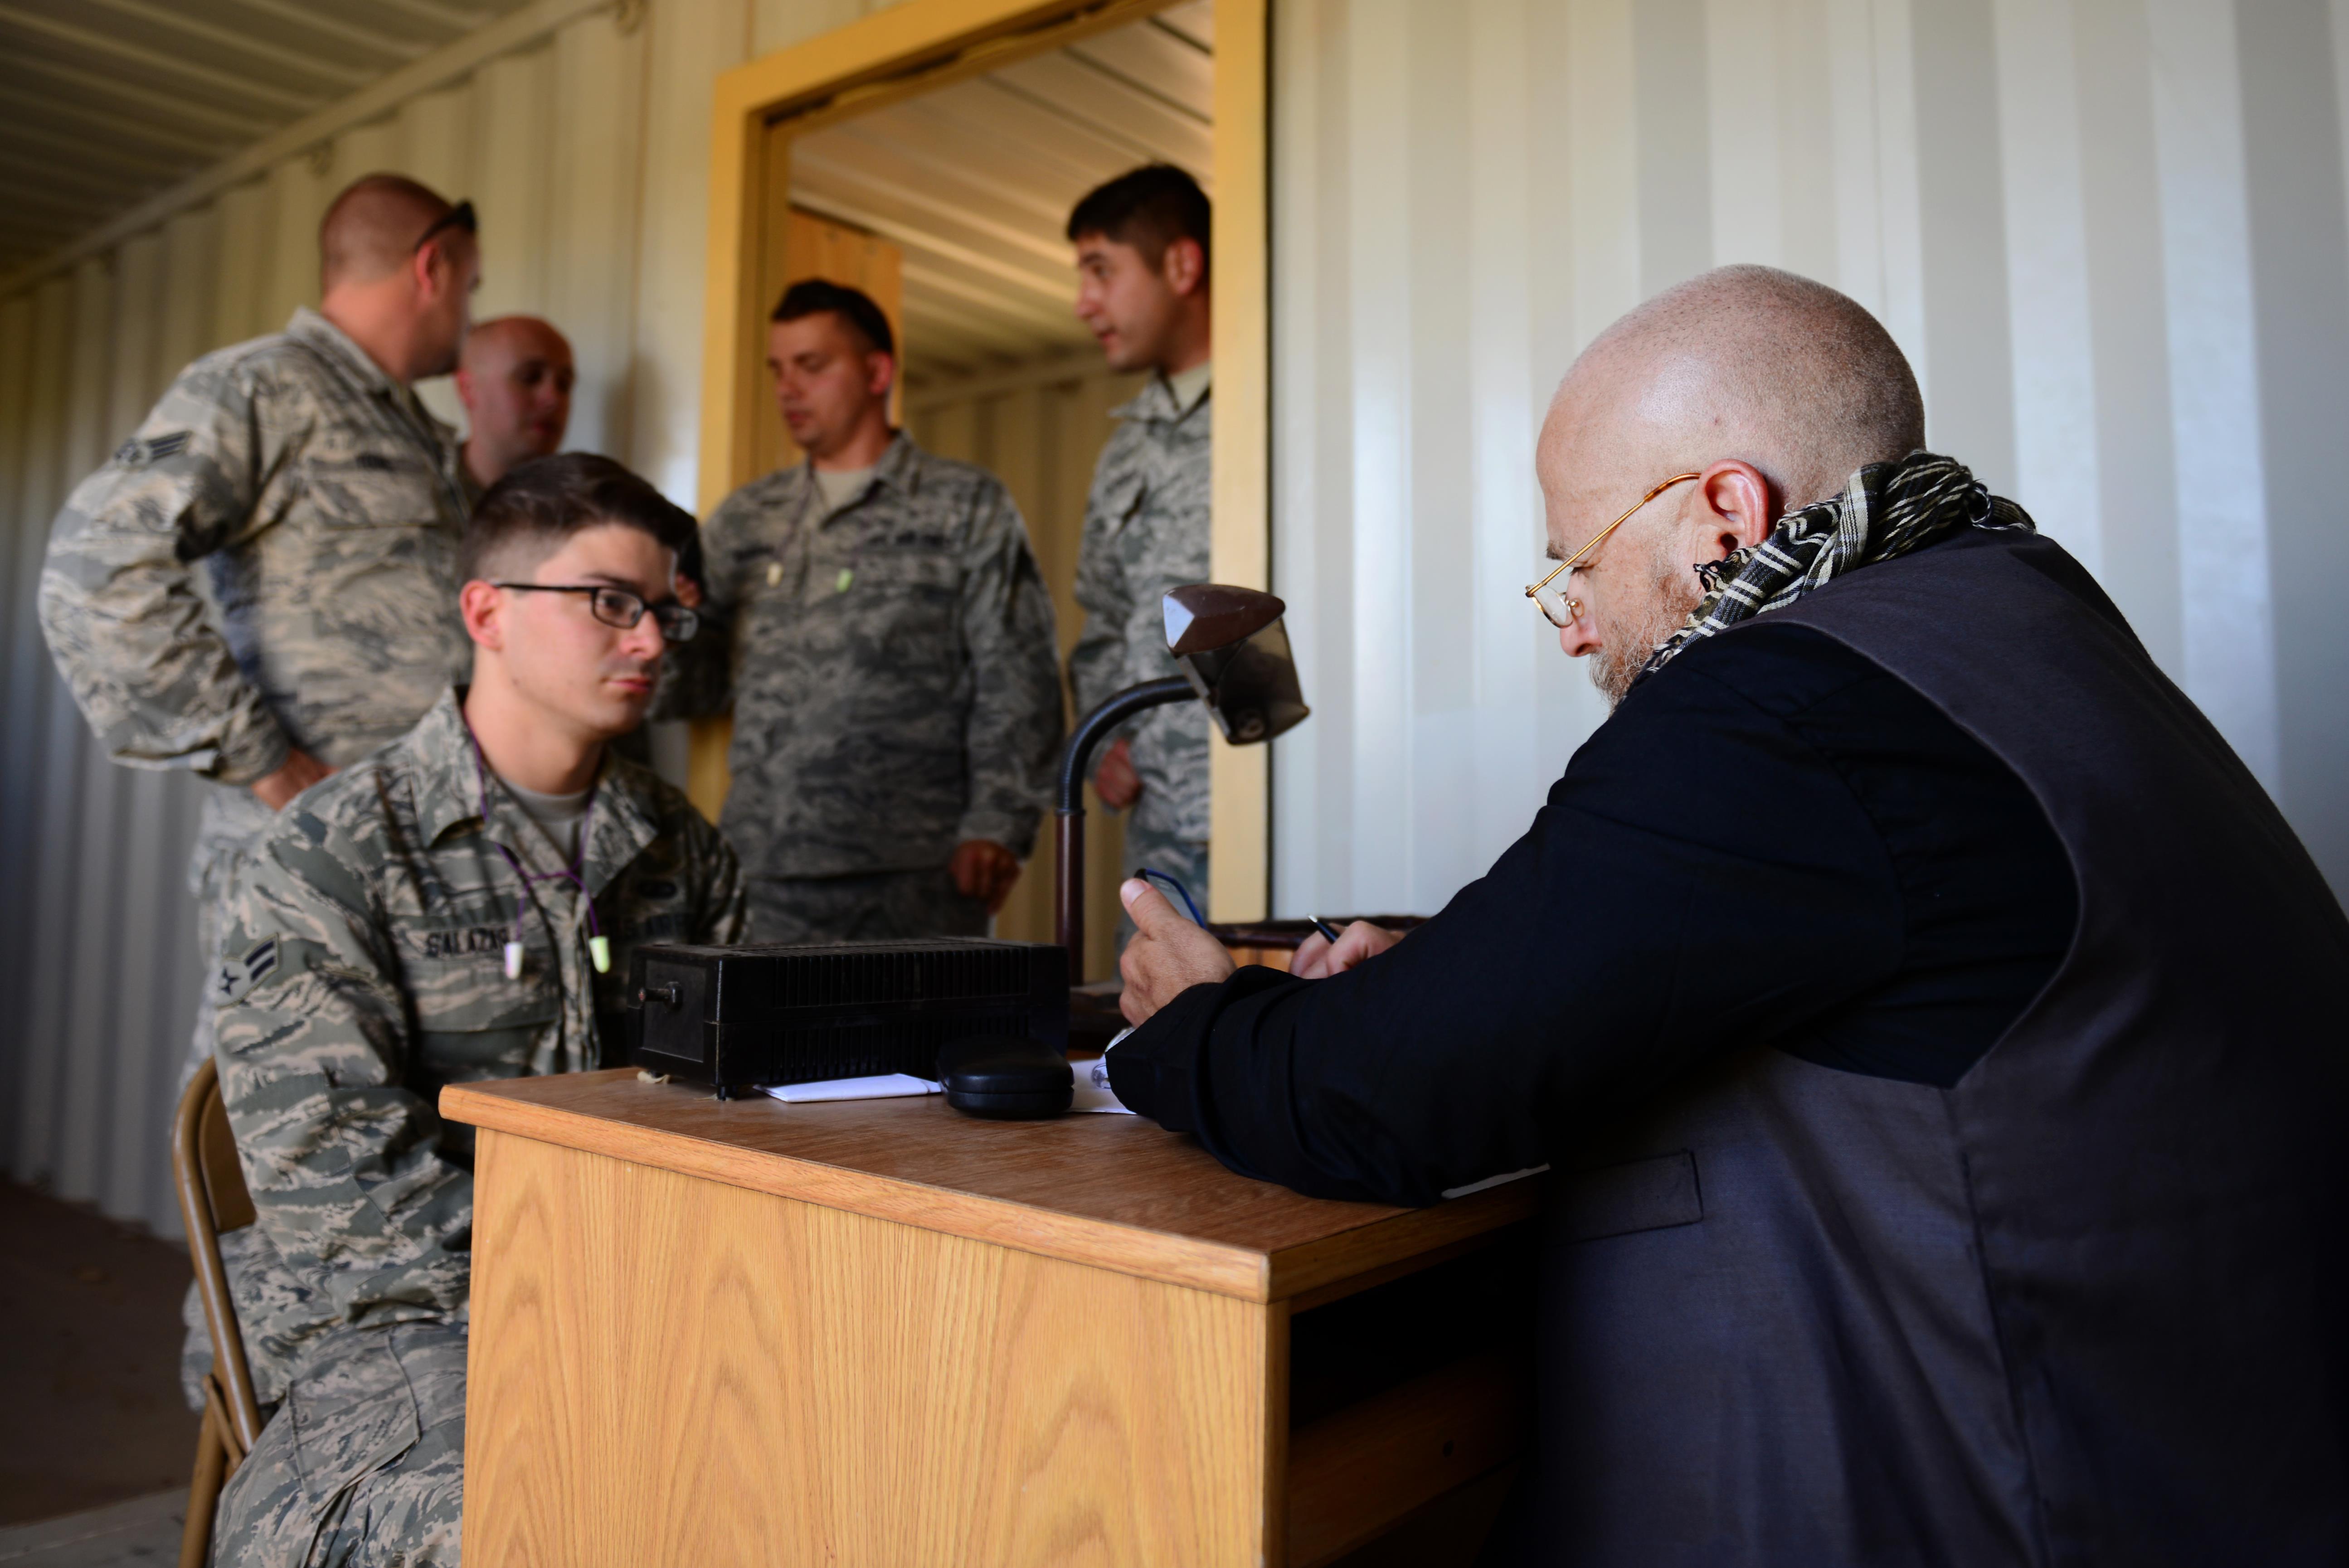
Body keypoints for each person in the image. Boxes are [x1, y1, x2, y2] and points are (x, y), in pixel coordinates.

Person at [1108, 266, 2349, 1563]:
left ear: (1724, 515)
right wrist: (1450, 971)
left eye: (1578, 564)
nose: (1573, 628)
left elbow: (1385, 1097)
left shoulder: (1785, 702)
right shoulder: (2017, 629)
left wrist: (1194, 1017)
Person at [207, 453, 746, 1566]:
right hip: (394, 1316)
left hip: (644, 1289)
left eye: (664, 611)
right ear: (487, 613)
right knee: (549, 1519)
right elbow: (341, 1191)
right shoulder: (333, 852)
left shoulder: (681, 850)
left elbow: (740, 1102)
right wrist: (579, 1289)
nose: (652, 640)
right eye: (611, 602)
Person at [39, 173, 481, 1082]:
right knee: (275, 1129)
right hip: (304, 864)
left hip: (424, 863)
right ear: (431, 265)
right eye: (470, 287)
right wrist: (263, 760)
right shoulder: (265, 386)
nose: (470, 314)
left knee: (393, 1135)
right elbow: (97, 568)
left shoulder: (417, 433)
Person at [670, 280, 1061, 943]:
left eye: (812, 365)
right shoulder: (746, 518)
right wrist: (671, 623)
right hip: (767, 867)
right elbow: (692, 691)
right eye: (778, 369)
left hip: (919, 870)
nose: (788, 388)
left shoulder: (964, 504)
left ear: (878, 372)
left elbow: (1018, 673)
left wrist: (999, 825)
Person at [1065, 164, 1214, 936]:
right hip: (1161, 841)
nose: (1083, 301)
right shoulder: (1125, 451)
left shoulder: (1278, 403)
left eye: (1101, 270)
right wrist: (1107, 743)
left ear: (1181, 264)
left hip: (1274, 824)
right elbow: (1103, 621)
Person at [455, 314, 575, 501]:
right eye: (530, 378)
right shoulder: (421, 487)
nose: (553, 400)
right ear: (468, 389)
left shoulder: (586, 505)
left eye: (564, 384)